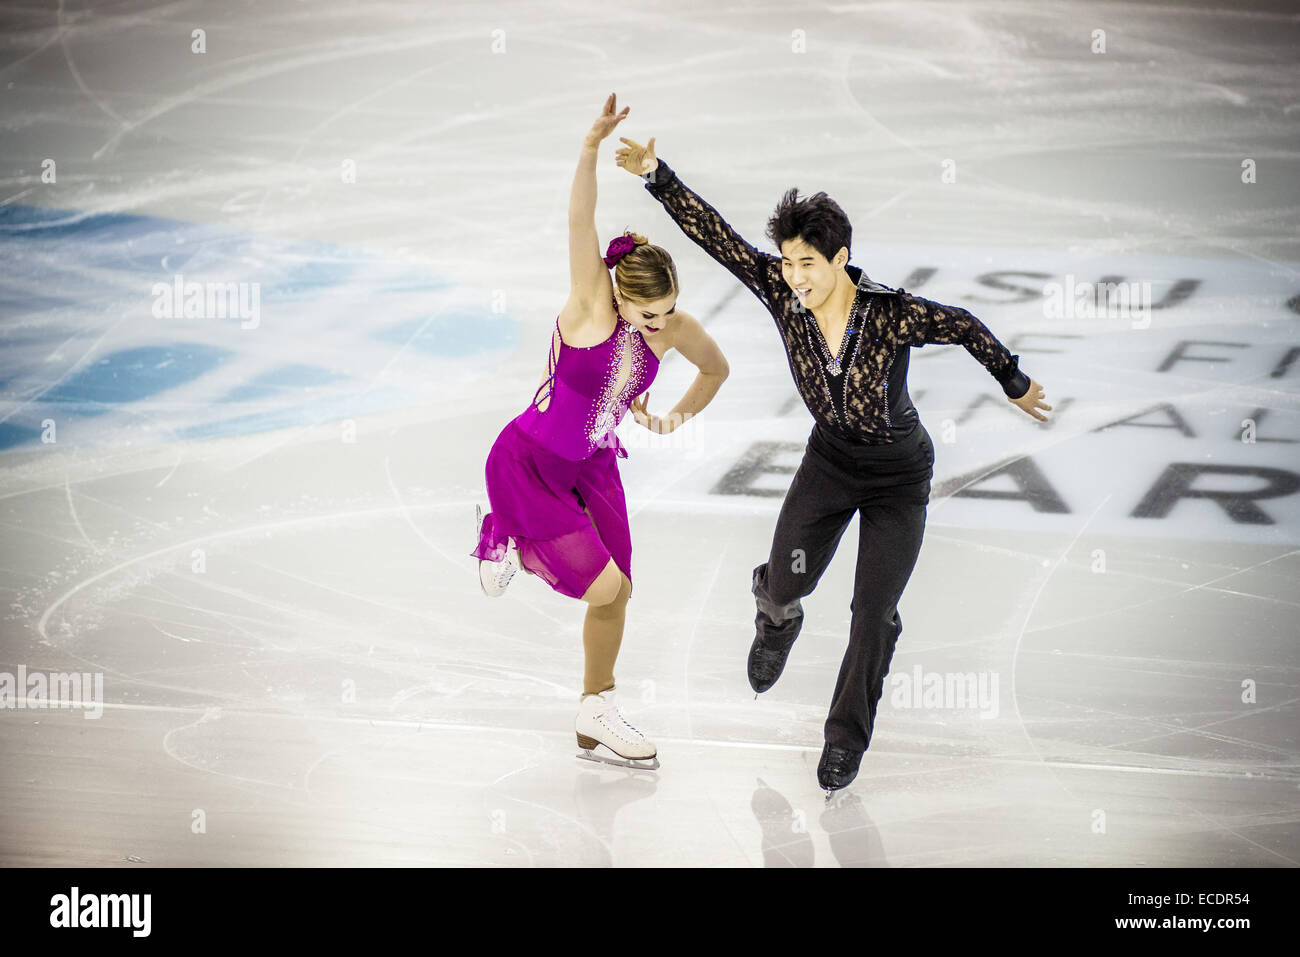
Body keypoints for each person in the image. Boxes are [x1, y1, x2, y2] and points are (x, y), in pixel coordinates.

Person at [616, 134, 1052, 791]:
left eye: (808, 263)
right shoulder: (783, 294)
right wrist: (656, 175)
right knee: (787, 579)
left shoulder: (890, 316)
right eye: (789, 261)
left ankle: (845, 738)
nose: (795, 275)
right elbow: (719, 237)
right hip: (829, 466)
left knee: (873, 614)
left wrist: (1013, 381)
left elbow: (962, 323)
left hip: (898, 480)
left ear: (841, 259)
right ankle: (777, 614)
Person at [470, 95, 730, 770]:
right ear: (620, 296)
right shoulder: (593, 302)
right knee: (606, 587)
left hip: (593, 466)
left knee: (621, 589)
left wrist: (672, 416)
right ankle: (503, 530)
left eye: (669, 309)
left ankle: (595, 707)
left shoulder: (670, 327)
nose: (661, 323)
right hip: (529, 461)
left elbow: (715, 367)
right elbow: (578, 218)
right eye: (649, 312)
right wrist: (589, 146)